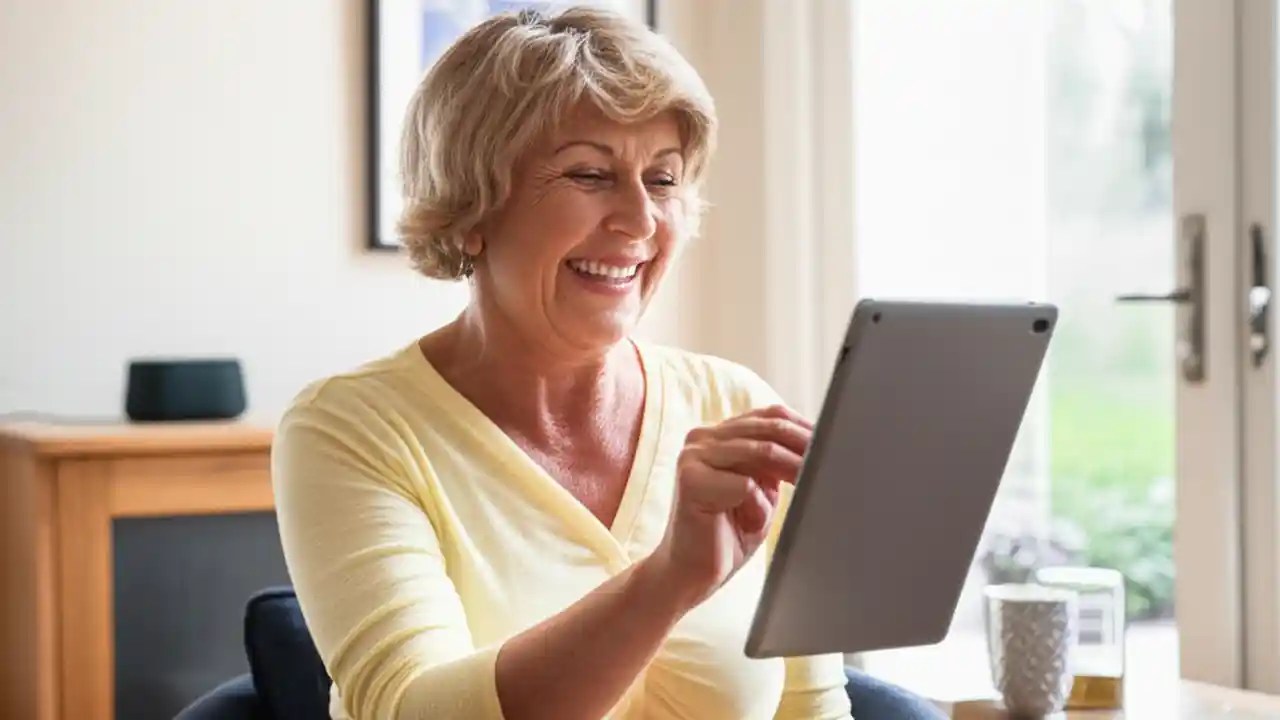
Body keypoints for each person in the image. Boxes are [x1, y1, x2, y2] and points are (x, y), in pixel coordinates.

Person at [271, 6, 854, 719]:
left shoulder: (735, 405)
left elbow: (815, 708)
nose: (640, 220)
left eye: (663, 180)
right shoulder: (351, 429)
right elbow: (411, 709)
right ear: (473, 210)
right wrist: (669, 577)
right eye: (589, 174)